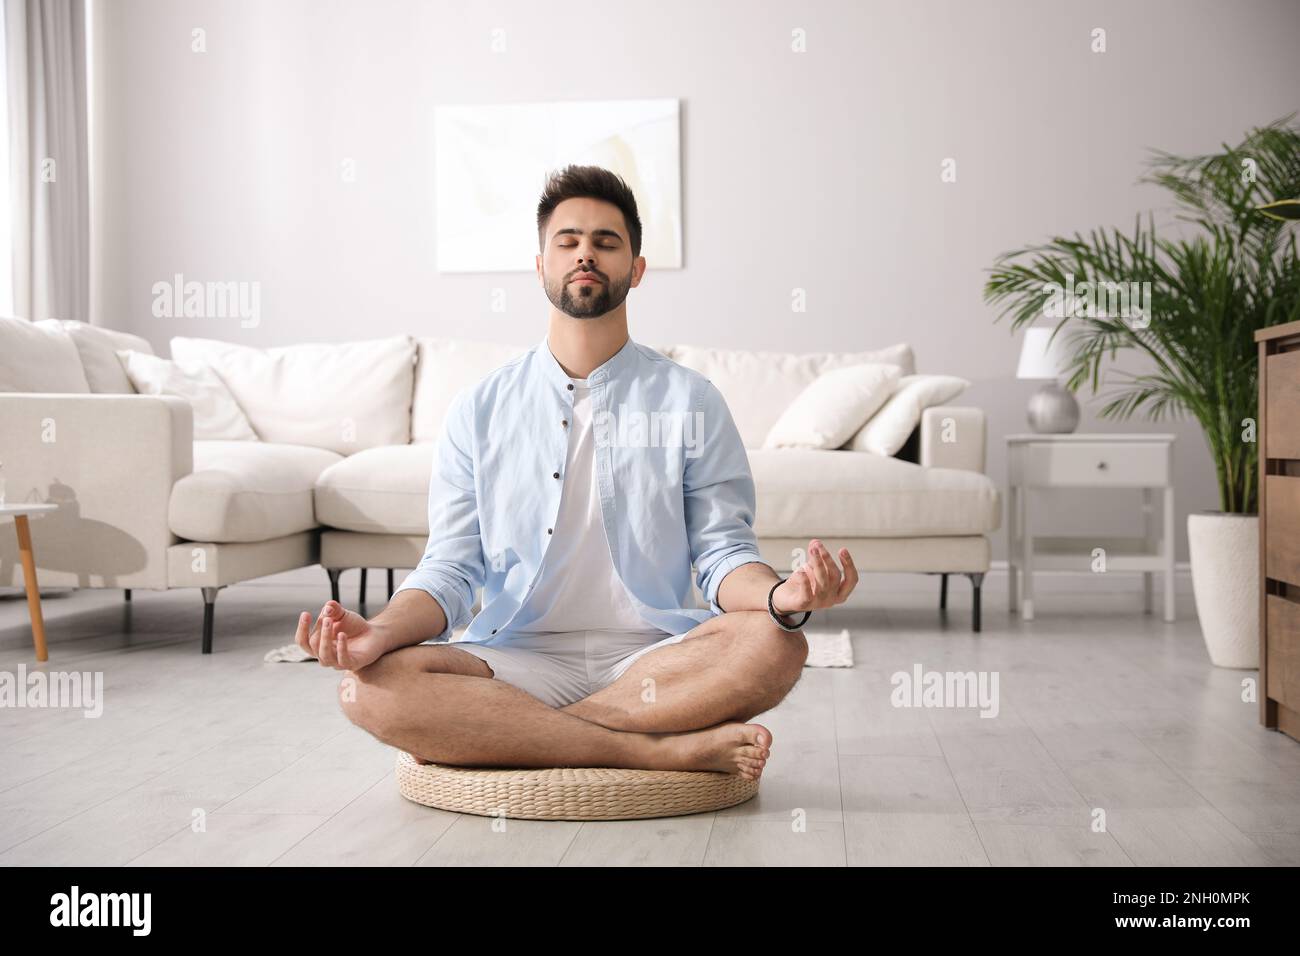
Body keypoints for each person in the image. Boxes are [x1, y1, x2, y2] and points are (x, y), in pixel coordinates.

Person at [294, 165, 858, 780]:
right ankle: (647, 750)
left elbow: (722, 553)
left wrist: (783, 597)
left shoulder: (691, 400)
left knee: (777, 643)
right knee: (368, 687)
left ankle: (509, 732)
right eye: (567, 241)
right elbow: (452, 569)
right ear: (540, 265)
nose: (585, 253)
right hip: (513, 659)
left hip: (655, 661)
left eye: (605, 241)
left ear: (636, 269)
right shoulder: (479, 408)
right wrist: (377, 633)